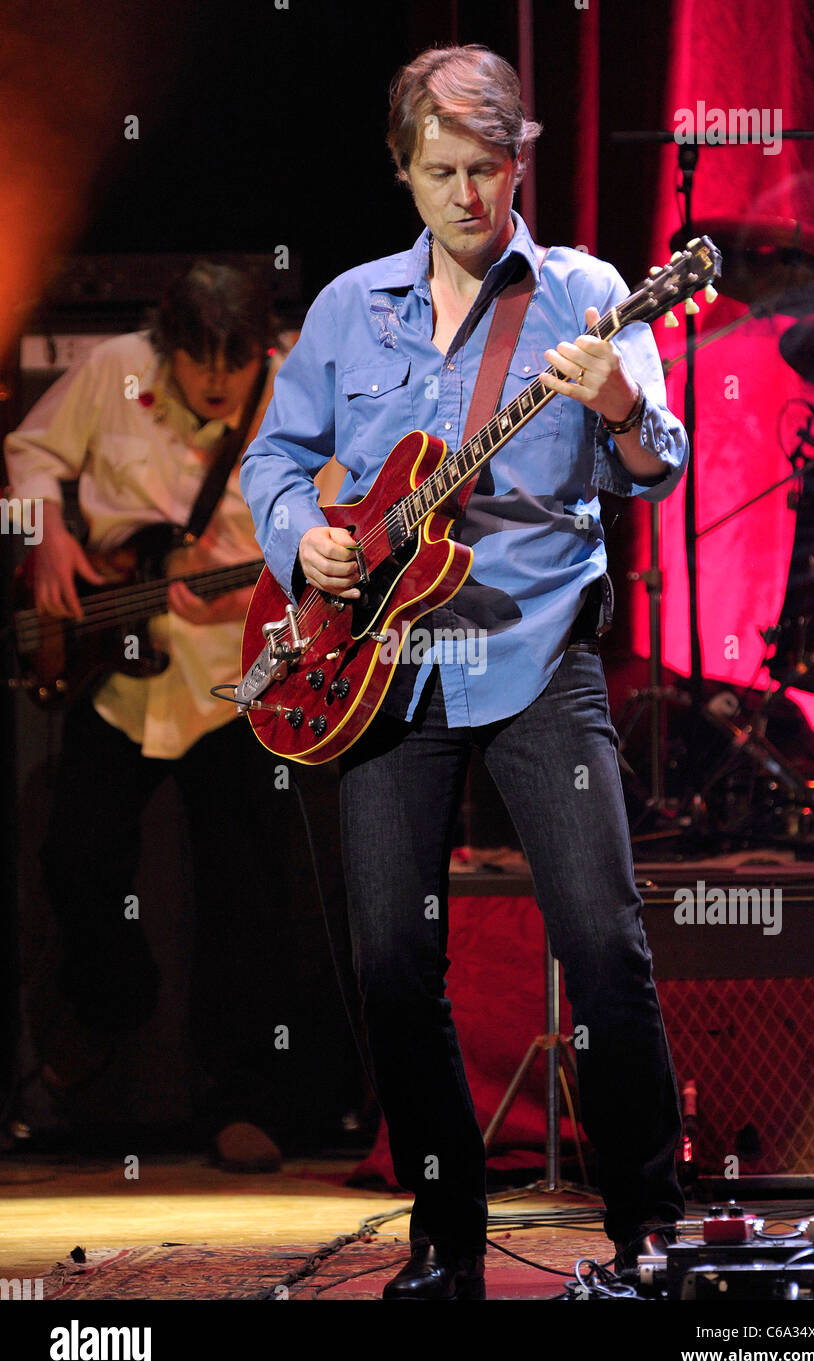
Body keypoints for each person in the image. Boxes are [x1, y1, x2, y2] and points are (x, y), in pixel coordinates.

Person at [240, 44, 689, 1296]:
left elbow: (660, 467)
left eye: (486, 171)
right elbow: (273, 462)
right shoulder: (346, 308)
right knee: (392, 962)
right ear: (402, 170)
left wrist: (615, 410)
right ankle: (445, 1242)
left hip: (540, 651)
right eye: (439, 172)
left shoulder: (591, 294)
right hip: (386, 668)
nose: (466, 198)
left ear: (518, 164)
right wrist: (303, 539)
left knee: (601, 942)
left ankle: (645, 1226)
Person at [5, 261, 358, 1170]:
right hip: (116, 666)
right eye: (194, 358)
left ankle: (241, 1100)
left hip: (241, 677)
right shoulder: (115, 368)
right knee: (73, 855)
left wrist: (265, 592)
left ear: (260, 351)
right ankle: (112, 999)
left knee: (246, 895)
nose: (211, 379)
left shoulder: (300, 383)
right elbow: (30, 456)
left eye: (230, 361)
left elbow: (342, 522)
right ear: (165, 347)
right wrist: (43, 534)